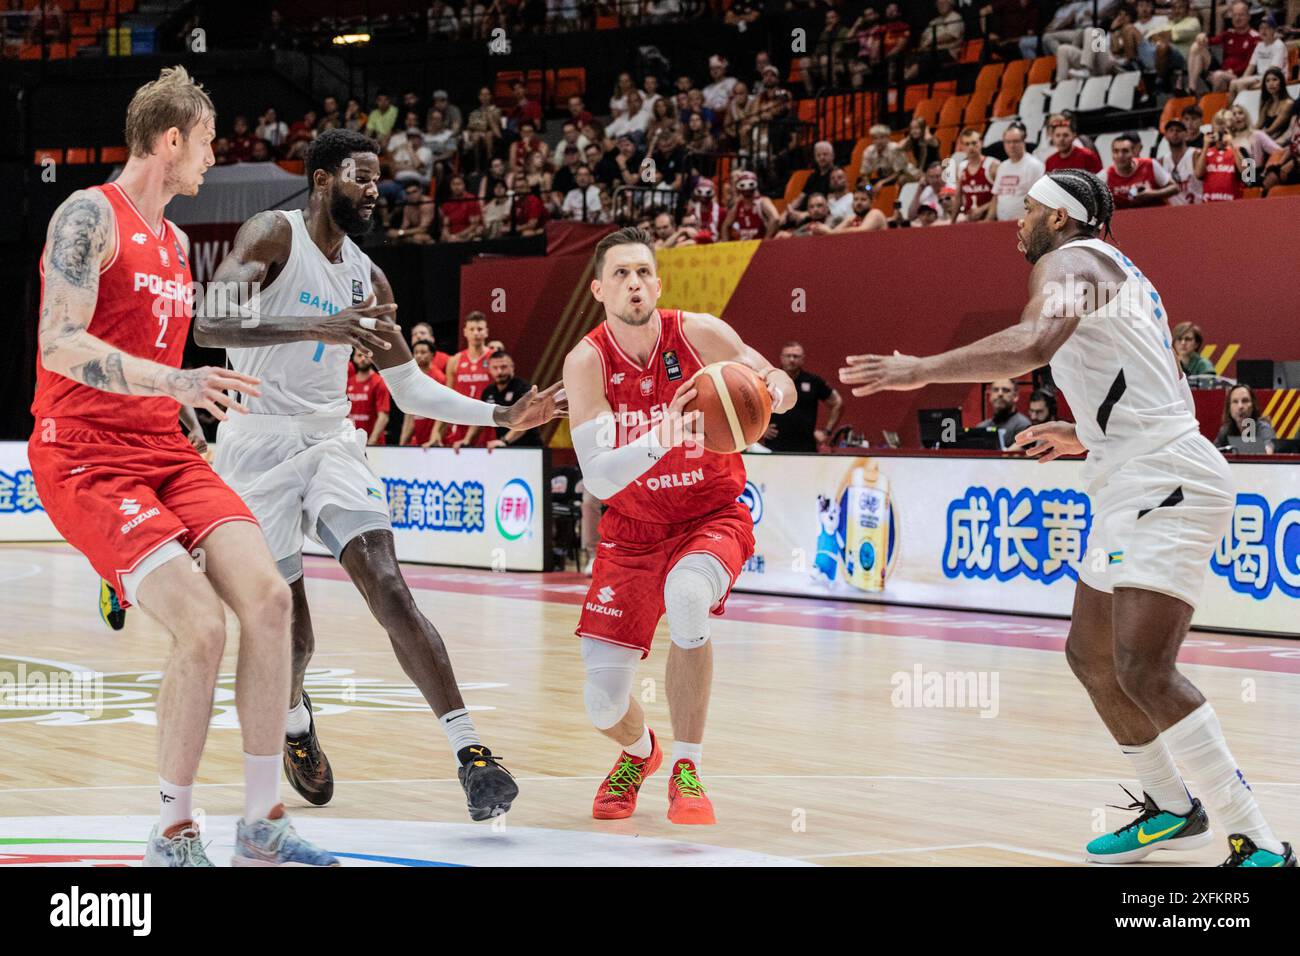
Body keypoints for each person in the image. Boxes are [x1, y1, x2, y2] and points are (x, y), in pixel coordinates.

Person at [840, 168, 1294, 867]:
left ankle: (1257, 837)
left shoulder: (1071, 260)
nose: (1018, 222)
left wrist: (919, 368)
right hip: (1128, 471)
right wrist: (1086, 433)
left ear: (1060, 217)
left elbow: (1031, 346)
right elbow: (1138, 379)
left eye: (1029, 210)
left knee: (1145, 668)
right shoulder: (1109, 270)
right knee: (1090, 655)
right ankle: (1172, 807)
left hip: (1164, 476)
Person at [203, 129, 564, 821]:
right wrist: (318, 328)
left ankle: (471, 754)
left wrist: (502, 415)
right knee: (294, 636)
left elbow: (411, 390)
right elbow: (210, 324)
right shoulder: (272, 235)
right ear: (320, 181)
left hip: (331, 441)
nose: (376, 190)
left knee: (391, 587)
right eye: (361, 177)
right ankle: (297, 726)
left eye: (379, 179)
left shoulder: (370, 277)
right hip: (255, 446)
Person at [32, 66, 337, 867]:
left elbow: (160, 372)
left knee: (269, 601)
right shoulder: (88, 215)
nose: (212, 157)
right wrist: (176, 382)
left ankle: (263, 822)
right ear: (171, 141)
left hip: (161, 450)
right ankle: (172, 830)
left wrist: (186, 422)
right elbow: (58, 342)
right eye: (205, 142)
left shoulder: (172, 243)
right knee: (201, 627)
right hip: (85, 458)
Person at [563, 226, 796, 825]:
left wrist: (774, 387)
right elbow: (599, 478)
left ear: (658, 283)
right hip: (633, 530)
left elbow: (775, 382)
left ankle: (687, 769)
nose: (634, 283)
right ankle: (641, 754)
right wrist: (663, 434)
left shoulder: (700, 333)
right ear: (598, 289)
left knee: (687, 597)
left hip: (710, 514)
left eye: (643, 272)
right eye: (620, 273)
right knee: (600, 702)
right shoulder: (587, 362)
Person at [432, 311, 496, 449]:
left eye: (480, 329)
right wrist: (436, 432)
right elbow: (447, 398)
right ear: (465, 332)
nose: (476, 333)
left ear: (486, 332)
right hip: (461, 422)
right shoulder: (455, 360)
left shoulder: (494, 358)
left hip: (487, 423)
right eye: (472, 329)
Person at [763, 341, 843, 452]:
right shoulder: (770, 379)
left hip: (805, 448)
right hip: (774, 447)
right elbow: (755, 404)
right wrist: (762, 429)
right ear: (781, 358)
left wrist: (827, 432)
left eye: (796, 356)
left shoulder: (813, 381)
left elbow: (837, 402)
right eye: (788, 356)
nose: (792, 359)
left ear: (802, 359)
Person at [474, 351, 544, 448]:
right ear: (489, 369)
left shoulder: (523, 388)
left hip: (529, 448)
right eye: (495, 368)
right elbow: (479, 419)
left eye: (503, 367)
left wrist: (505, 441)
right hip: (504, 448)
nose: (499, 372)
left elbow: (525, 420)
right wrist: (466, 440)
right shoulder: (488, 392)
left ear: (512, 367)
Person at [990, 122, 1046, 222]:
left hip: (1024, 224)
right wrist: (988, 220)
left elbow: (1039, 200)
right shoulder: (1002, 166)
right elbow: (996, 196)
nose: (1011, 145)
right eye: (1008, 142)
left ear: (1023, 142)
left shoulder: (1035, 166)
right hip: (1001, 223)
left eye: (1015, 141)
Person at [1105, 132, 1178, 208]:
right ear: (1112, 154)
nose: (1120, 155)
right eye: (1116, 151)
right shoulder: (1106, 175)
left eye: (1125, 151)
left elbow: (1175, 188)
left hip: (1156, 214)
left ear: (1133, 153)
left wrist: (1152, 194)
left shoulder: (1150, 164)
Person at [347, 348, 391, 444]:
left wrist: (372, 440)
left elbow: (383, 417)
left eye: (366, 355)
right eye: (359, 355)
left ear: (372, 358)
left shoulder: (379, 382)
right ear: (353, 358)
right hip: (351, 442)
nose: (363, 358)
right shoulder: (348, 382)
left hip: (373, 443)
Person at [1215, 383, 1276, 453]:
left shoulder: (1264, 429)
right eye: (1235, 401)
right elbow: (1212, 455)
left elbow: (1268, 454)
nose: (1240, 406)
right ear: (1229, 408)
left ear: (1253, 406)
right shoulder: (1225, 431)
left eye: (1245, 401)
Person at [977, 378, 1032, 449]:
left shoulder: (1023, 426)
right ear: (990, 395)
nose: (1000, 394)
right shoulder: (981, 427)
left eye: (1005, 390)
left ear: (1015, 396)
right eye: (996, 390)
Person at [1159, 118, 1203, 205]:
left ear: (1186, 135)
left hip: (1197, 209)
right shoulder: (1161, 161)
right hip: (1174, 214)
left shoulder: (1196, 154)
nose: (1175, 133)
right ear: (1166, 136)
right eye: (1171, 130)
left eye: (1178, 130)